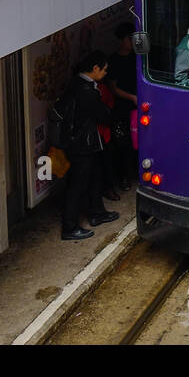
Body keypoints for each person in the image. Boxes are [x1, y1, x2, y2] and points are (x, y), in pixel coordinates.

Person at [56, 51, 119, 241]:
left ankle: (96, 213)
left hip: (82, 143)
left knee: (93, 177)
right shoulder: (86, 91)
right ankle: (70, 227)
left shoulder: (78, 83)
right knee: (77, 185)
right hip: (82, 145)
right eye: (104, 70)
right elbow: (103, 115)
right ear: (95, 69)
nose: (106, 73)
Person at [104, 22, 139, 192]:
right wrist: (132, 97)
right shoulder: (114, 60)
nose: (132, 41)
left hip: (137, 106)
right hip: (122, 109)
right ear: (123, 40)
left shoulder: (136, 56)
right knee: (124, 144)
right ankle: (124, 177)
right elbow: (113, 87)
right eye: (130, 38)